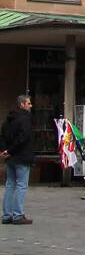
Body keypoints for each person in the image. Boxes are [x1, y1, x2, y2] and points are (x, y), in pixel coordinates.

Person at [1, 93, 35, 225]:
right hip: (21, 156)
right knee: (21, 185)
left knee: (10, 185)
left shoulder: (8, 119)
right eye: (29, 103)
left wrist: (5, 151)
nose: (31, 106)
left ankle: (7, 214)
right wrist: (10, 150)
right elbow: (24, 137)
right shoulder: (25, 118)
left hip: (10, 157)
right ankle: (17, 214)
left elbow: (2, 135)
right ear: (22, 104)